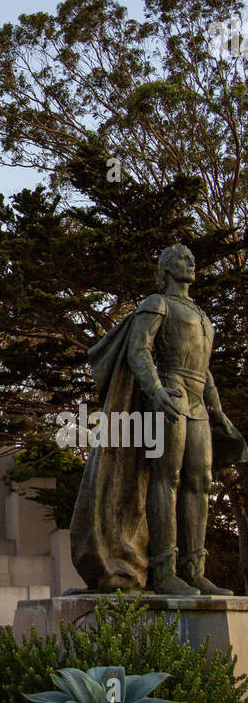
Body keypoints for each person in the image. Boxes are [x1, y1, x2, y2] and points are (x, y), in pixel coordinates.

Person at [70, 245, 246, 595]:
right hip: (169, 394)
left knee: (200, 481)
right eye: (182, 258)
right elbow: (139, 350)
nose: (191, 262)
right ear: (166, 269)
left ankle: (193, 570)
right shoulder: (157, 304)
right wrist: (155, 390)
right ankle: (164, 571)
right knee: (167, 479)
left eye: (192, 257)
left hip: (196, 402)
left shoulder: (200, 314)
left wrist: (219, 412)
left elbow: (205, 370)